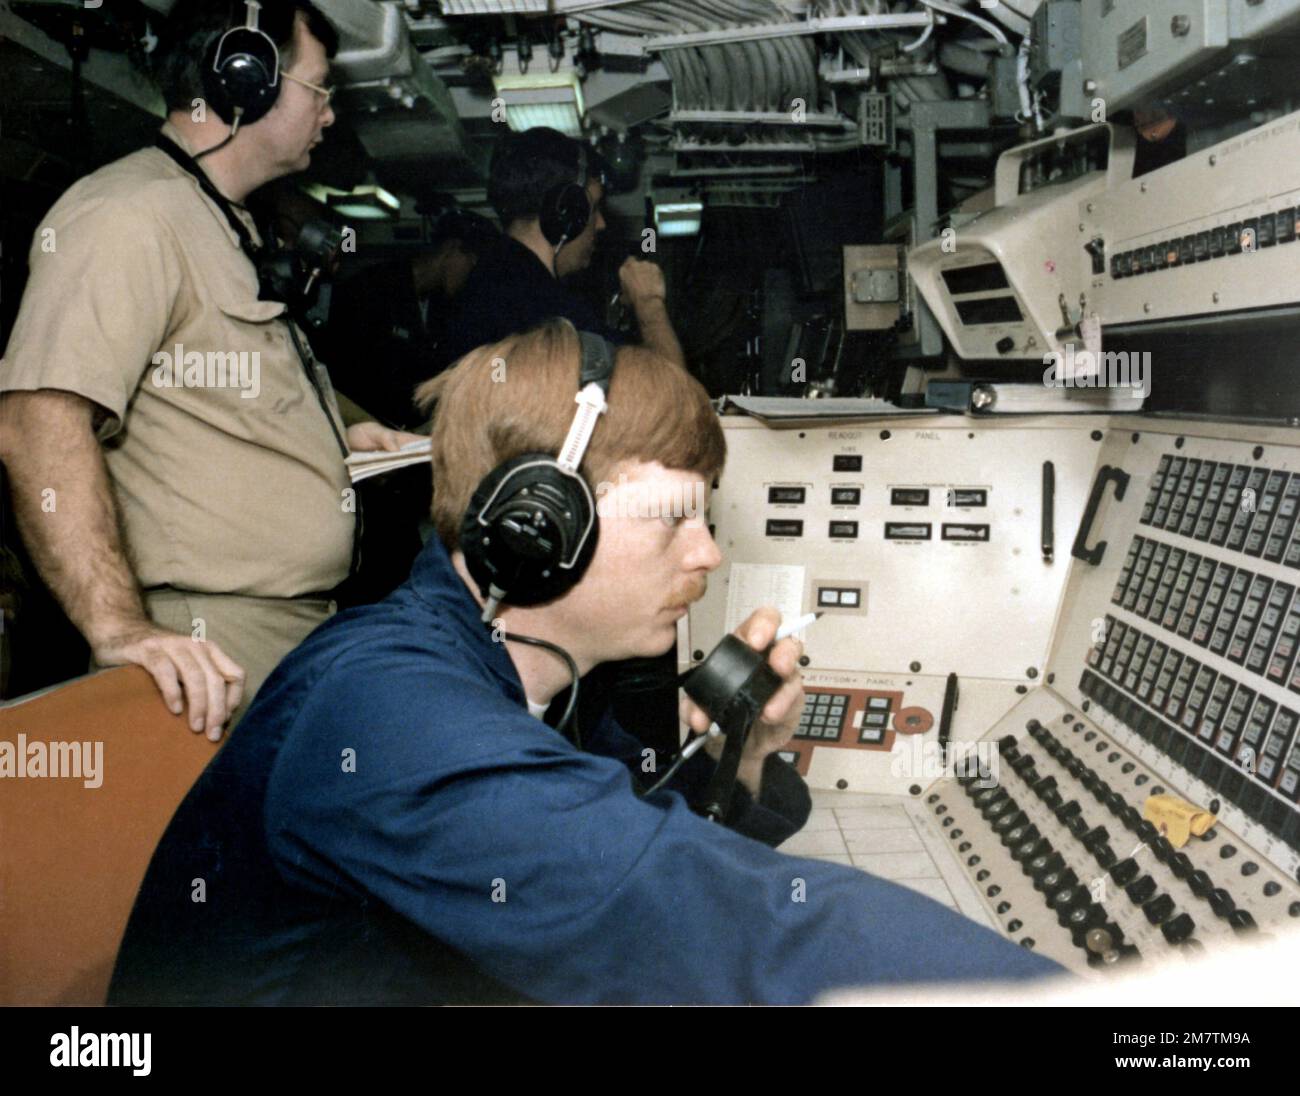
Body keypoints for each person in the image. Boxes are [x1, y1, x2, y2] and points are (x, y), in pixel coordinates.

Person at [108, 321, 1061, 1005]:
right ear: (539, 522)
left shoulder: (521, 674)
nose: (708, 555)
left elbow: (619, 848)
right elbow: (718, 919)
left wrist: (747, 754)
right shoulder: (388, 710)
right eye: (677, 515)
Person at [0, 0, 421, 734]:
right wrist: (118, 631)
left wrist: (339, 442)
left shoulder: (221, 221)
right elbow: (37, 423)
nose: (329, 116)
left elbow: (214, 397)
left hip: (282, 636)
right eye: (320, 90)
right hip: (210, 651)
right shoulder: (127, 216)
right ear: (246, 82)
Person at [432, 126, 685, 372]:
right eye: (594, 208)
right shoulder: (546, 311)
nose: (601, 224)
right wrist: (648, 304)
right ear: (566, 212)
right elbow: (675, 401)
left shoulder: (488, 285)